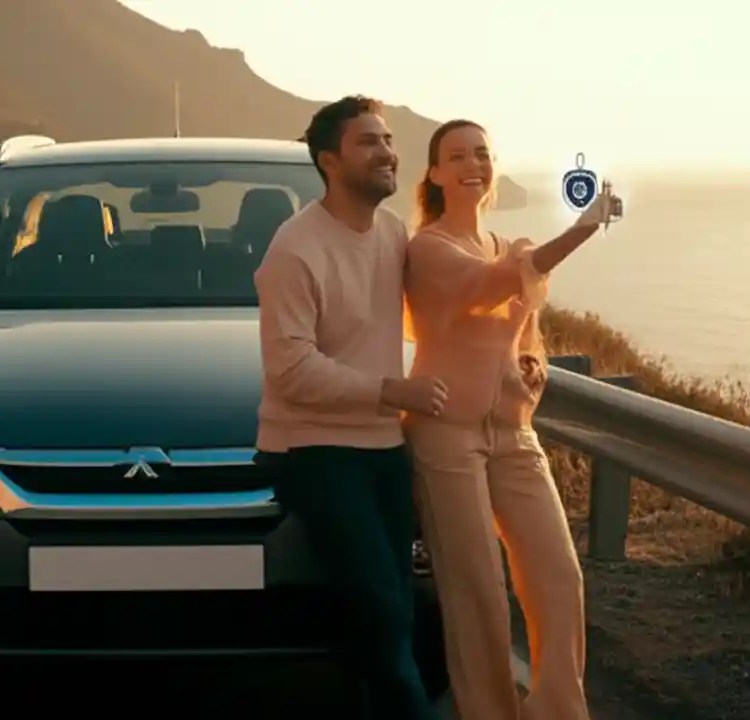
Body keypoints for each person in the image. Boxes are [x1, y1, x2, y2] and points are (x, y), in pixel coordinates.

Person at [401, 119, 620, 720]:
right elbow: (486, 289)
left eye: (482, 154)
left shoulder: (510, 246)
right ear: (436, 174)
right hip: (447, 433)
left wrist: (530, 365)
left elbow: (522, 328)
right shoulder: (428, 249)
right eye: (457, 156)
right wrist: (582, 227)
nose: (473, 164)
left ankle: (557, 711)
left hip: (513, 434)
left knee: (558, 579)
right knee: (478, 597)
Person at [253, 95, 448, 720]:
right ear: (330, 161)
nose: (388, 152)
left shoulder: (392, 233)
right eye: (370, 142)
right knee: (384, 606)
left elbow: (446, 304)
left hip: (382, 447)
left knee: (390, 609)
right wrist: (395, 391)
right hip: (312, 450)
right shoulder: (294, 250)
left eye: (388, 140)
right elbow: (291, 372)